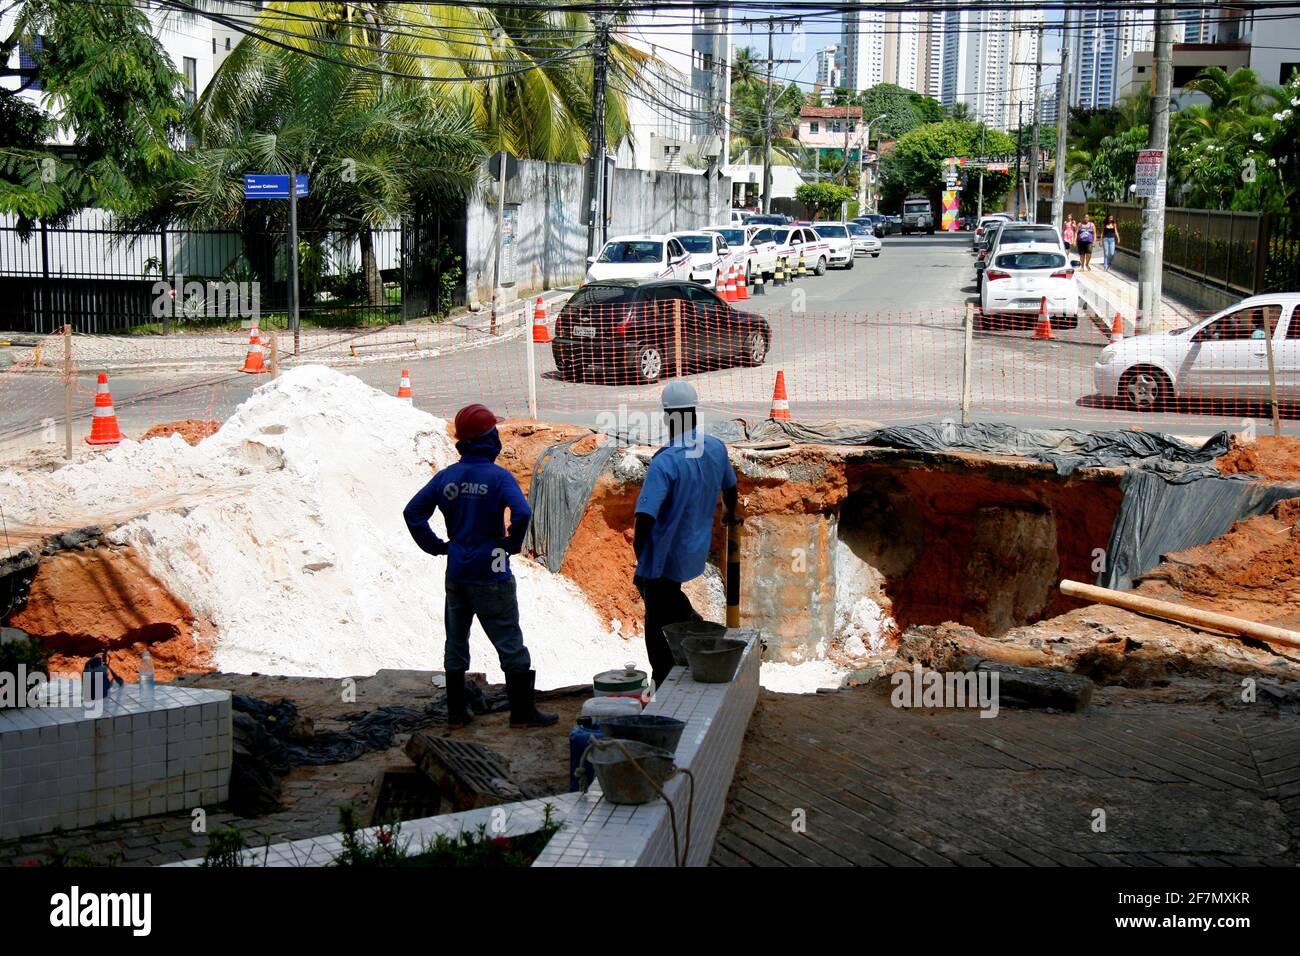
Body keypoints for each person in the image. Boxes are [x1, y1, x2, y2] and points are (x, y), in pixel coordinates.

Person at [403, 403, 557, 730]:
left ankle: (456, 714)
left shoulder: (447, 477)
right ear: (487, 438)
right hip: (492, 568)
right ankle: (522, 713)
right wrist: (510, 545)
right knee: (509, 640)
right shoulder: (499, 478)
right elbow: (523, 514)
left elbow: (412, 513)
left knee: (456, 642)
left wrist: (436, 546)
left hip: (457, 569)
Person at [633, 381, 740, 689]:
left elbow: (644, 518)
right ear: (694, 411)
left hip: (663, 558)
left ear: (668, 417)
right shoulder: (715, 448)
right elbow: (730, 488)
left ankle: (664, 674)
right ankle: (691, 630)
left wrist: (643, 564)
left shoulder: (665, 461)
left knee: (656, 620)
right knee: (667, 602)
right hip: (693, 551)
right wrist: (730, 514)